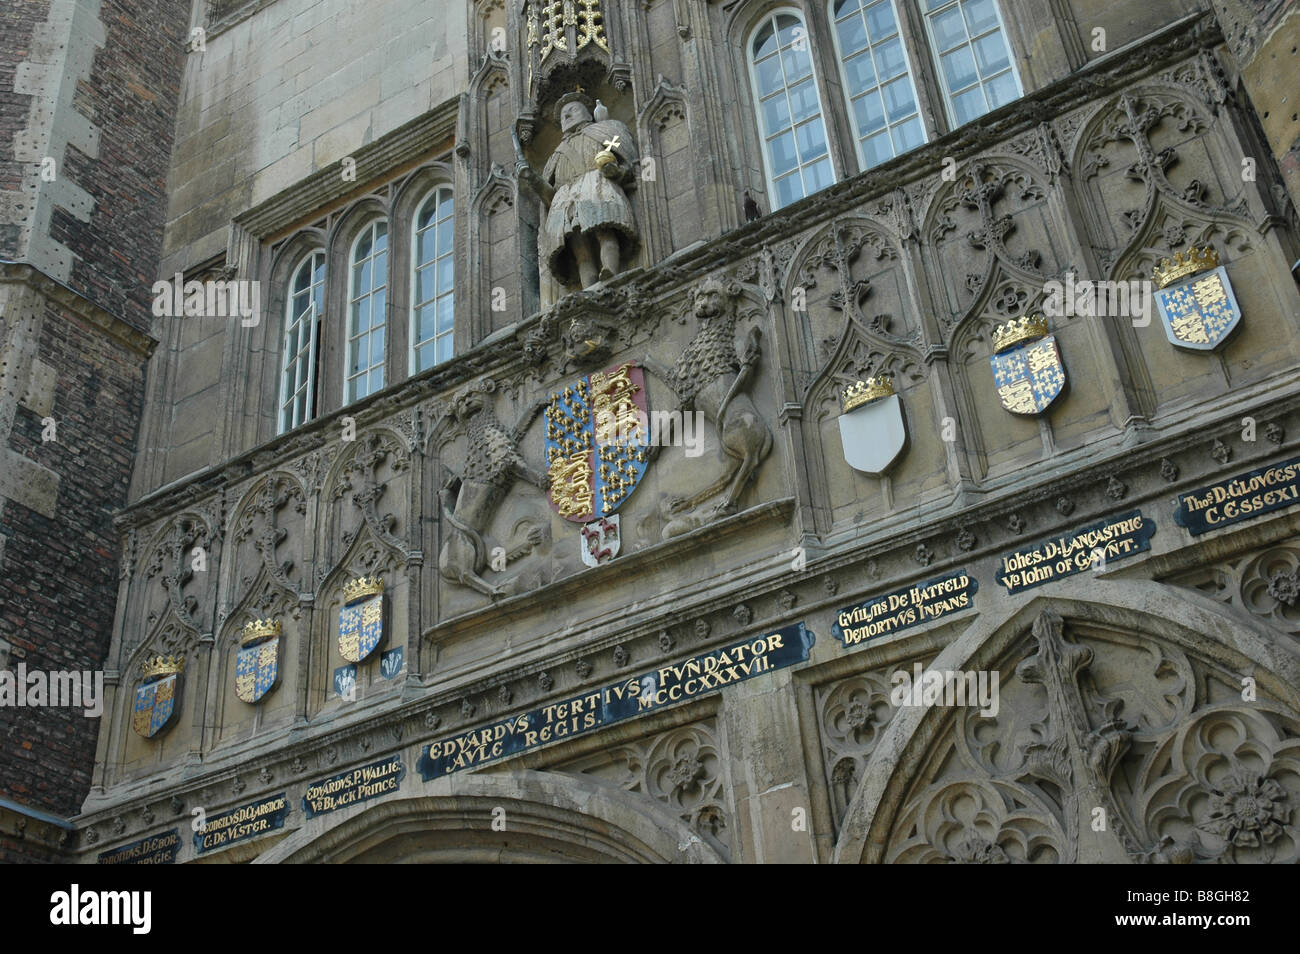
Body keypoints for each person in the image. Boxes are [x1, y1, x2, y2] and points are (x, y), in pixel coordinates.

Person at [517, 91, 640, 290]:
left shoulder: (605, 131)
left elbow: (626, 161)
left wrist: (616, 171)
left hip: (596, 187)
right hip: (566, 201)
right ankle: (589, 287)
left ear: (587, 112)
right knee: (580, 250)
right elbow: (550, 196)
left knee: (605, 231)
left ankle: (610, 269)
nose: (566, 116)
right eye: (562, 115)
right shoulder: (556, 156)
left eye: (571, 110)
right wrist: (532, 178)